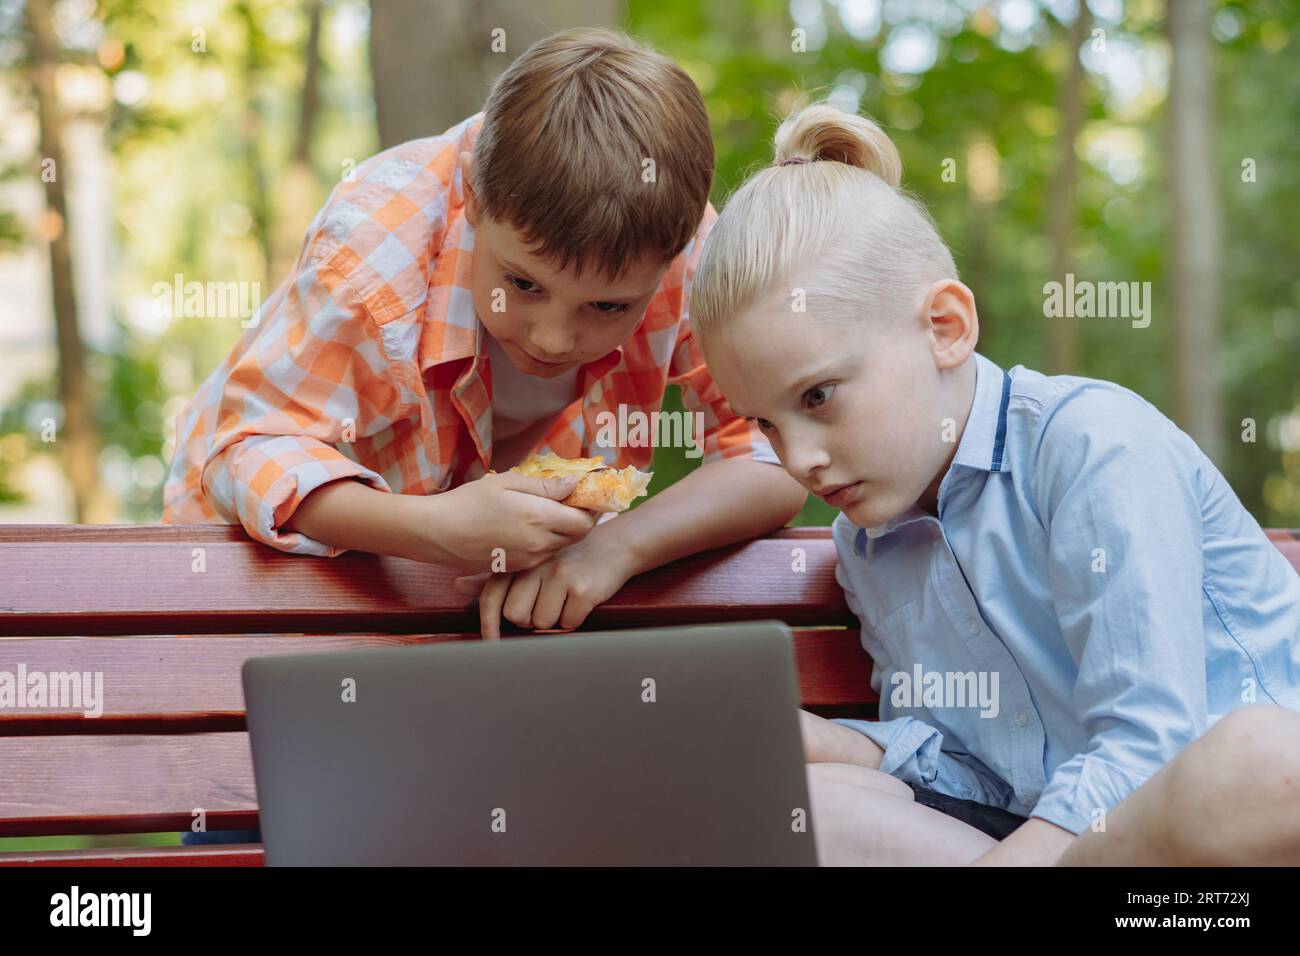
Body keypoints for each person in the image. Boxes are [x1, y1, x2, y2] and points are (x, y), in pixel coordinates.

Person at [162, 28, 806, 848]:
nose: (550, 334)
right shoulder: (374, 245)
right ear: (473, 194)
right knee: (286, 820)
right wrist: (434, 528)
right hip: (298, 597)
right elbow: (243, 448)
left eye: (608, 308)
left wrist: (616, 549)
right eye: (521, 284)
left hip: (496, 627)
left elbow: (776, 452)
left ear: (672, 258)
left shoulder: (688, 253)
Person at [688, 101, 1300, 866]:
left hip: (1209, 840)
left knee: (1259, 765)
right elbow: (977, 772)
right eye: (767, 425)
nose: (799, 460)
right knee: (813, 808)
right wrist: (834, 743)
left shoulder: (1090, 448)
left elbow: (1148, 744)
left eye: (817, 398)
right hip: (1064, 844)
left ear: (945, 327)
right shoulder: (868, 545)